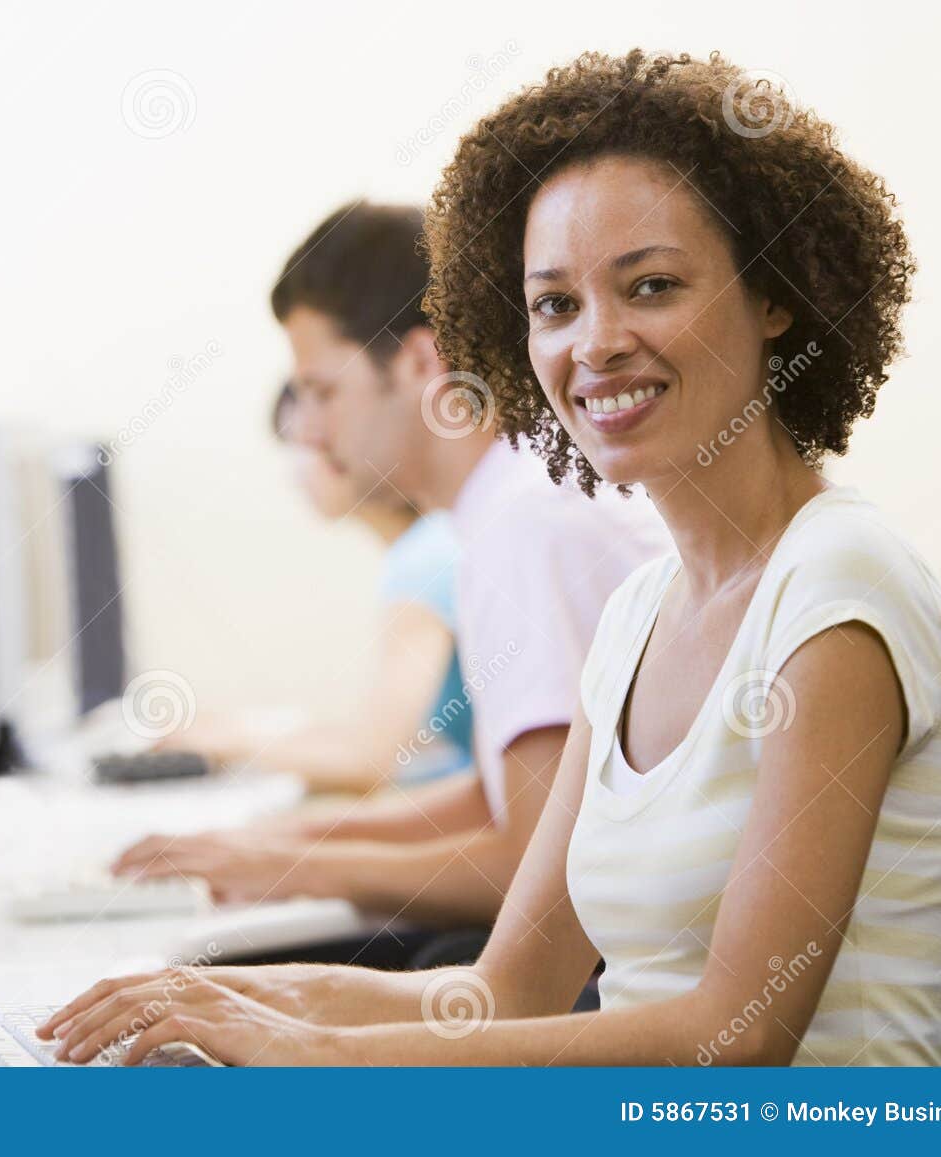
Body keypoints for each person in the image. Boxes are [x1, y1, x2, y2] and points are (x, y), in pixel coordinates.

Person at [47, 50, 941, 1066]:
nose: (597, 342)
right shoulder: (639, 613)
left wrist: (315, 1053)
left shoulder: (837, 587)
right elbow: (503, 988)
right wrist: (214, 996)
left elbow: (736, 1034)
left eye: (651, 286)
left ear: (775, 297)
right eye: (554, 305)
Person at [112, 201, 669, 929]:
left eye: (322, 391)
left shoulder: (526, 523)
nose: (308, 430)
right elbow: (502, 795)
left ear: (418, 363)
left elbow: (536, 869)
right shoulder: (511, 500)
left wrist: (290, 867)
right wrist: (283, 838)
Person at [160, 381, 474, 793]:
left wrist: (229, 743)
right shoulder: (434, 541)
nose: (297, 470)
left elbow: (368, 760)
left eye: (305, 445)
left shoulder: (423, 559)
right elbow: (393, 735)